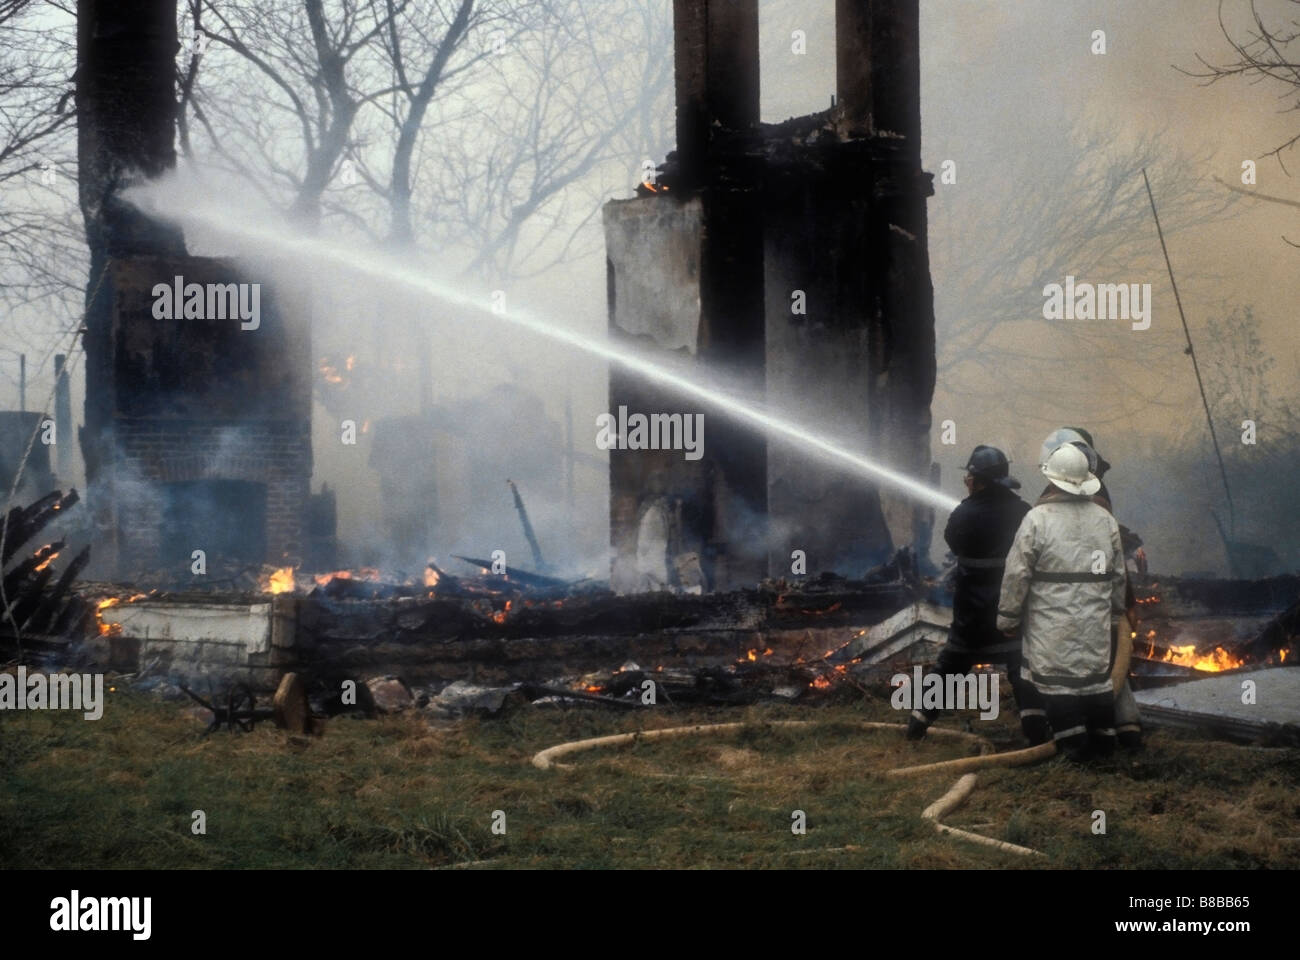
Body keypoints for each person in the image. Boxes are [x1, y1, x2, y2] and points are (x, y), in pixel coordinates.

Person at [906, 446, 1049, 744]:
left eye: (969, 477)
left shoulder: (963, 514)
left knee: (950, 666)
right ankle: (1036, 734)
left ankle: (917, 725)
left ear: (979, 480)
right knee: (1022, 669)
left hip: (971, 614)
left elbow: (954, 544)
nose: (966, 482)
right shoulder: (1024, 512)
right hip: (1010, 610)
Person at [997, 443, 1127, 761]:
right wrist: (1114, 615)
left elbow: (1016, 574)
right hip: (1094, 626)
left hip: (1051, 626)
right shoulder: (1105, 520)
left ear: (1052, 479)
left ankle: (1074, 750)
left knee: (1058, 685)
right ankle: (1104, 745)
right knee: (1095, 682)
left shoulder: (1037, 520)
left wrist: (1008, 618)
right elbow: (1118, 576)